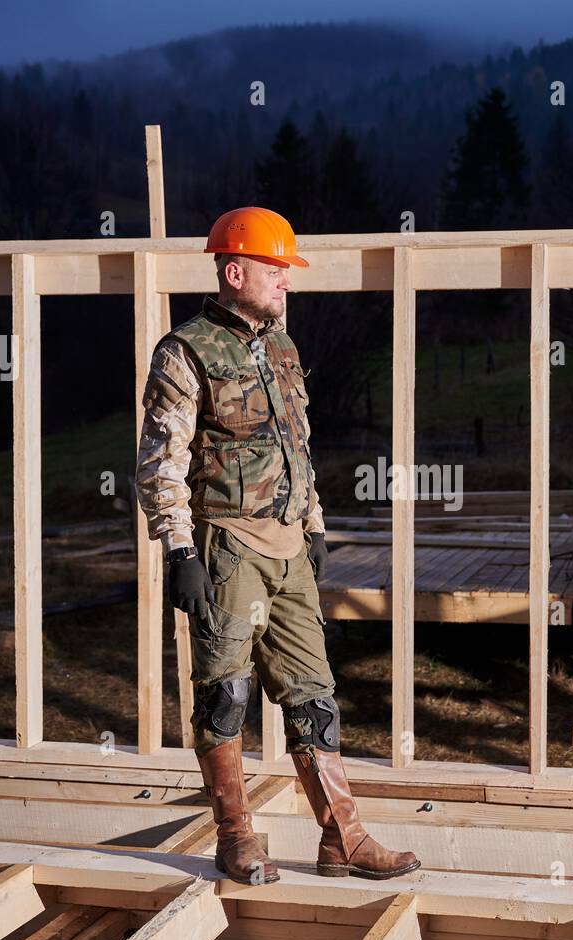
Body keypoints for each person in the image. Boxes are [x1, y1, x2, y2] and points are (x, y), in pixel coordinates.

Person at [135, 206, 420, 886]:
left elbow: (299, 447)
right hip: (227, 548)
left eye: (286, 271)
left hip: (289, 549)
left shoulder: (283, 349)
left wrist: (315, 522)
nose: (285, 282)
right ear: (235, 272)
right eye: (274, 270)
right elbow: (160, 463)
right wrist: (179, 551)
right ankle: (236, 837)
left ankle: (342, 838)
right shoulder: (187, 351)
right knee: (226, 694)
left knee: (313, 696)